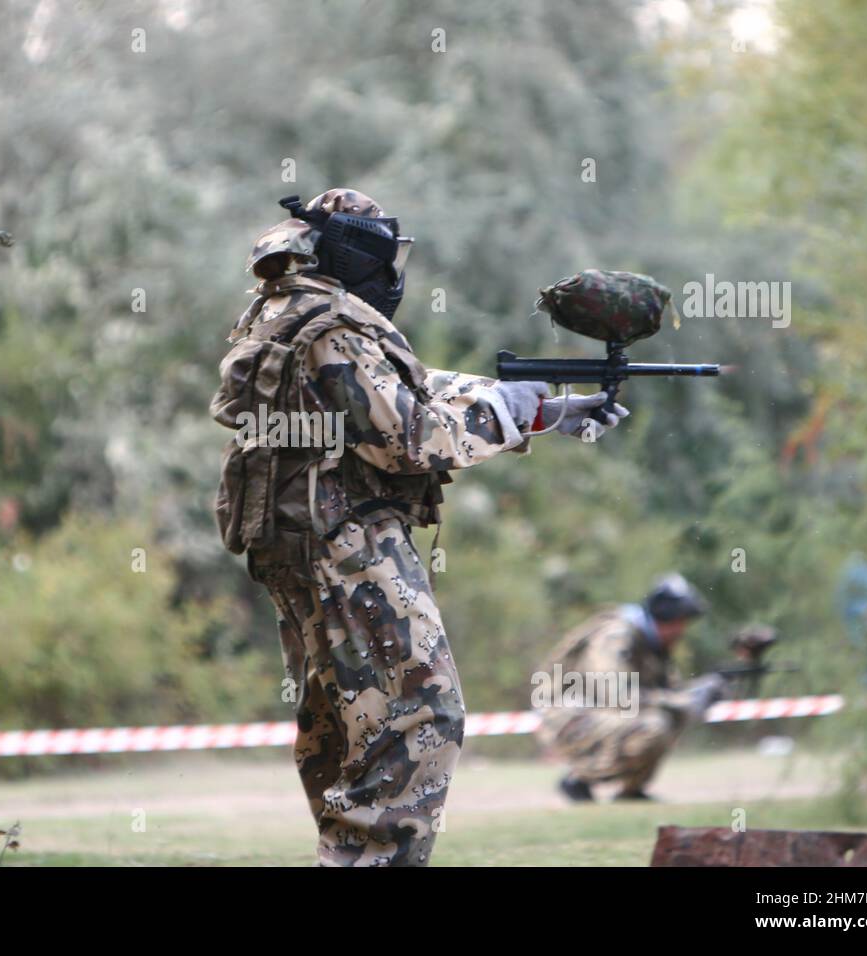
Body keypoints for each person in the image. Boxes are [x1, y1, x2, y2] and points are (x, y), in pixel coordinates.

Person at [210, 188, 627, 865]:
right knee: (419, 715)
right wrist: (509, 412)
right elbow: (408, 437)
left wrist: (541, 410)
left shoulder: (288, 312)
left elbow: (406, 389)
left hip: (304, 541)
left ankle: (348, 857)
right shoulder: (334, 324)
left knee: (346, 727)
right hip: (347, 541)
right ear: (356, 249)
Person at [534, 573, 724, 802]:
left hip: (599, 715)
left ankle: (631, 791)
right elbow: (616, 695)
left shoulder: (652, 645)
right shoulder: (616, 634)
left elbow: (669, 692)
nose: (681, 630)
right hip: (570, 719)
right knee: (654, 726)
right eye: (679, 622)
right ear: (665, 618)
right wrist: (682, 701)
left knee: (671, 716)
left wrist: (702, 690)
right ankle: (579, 779)